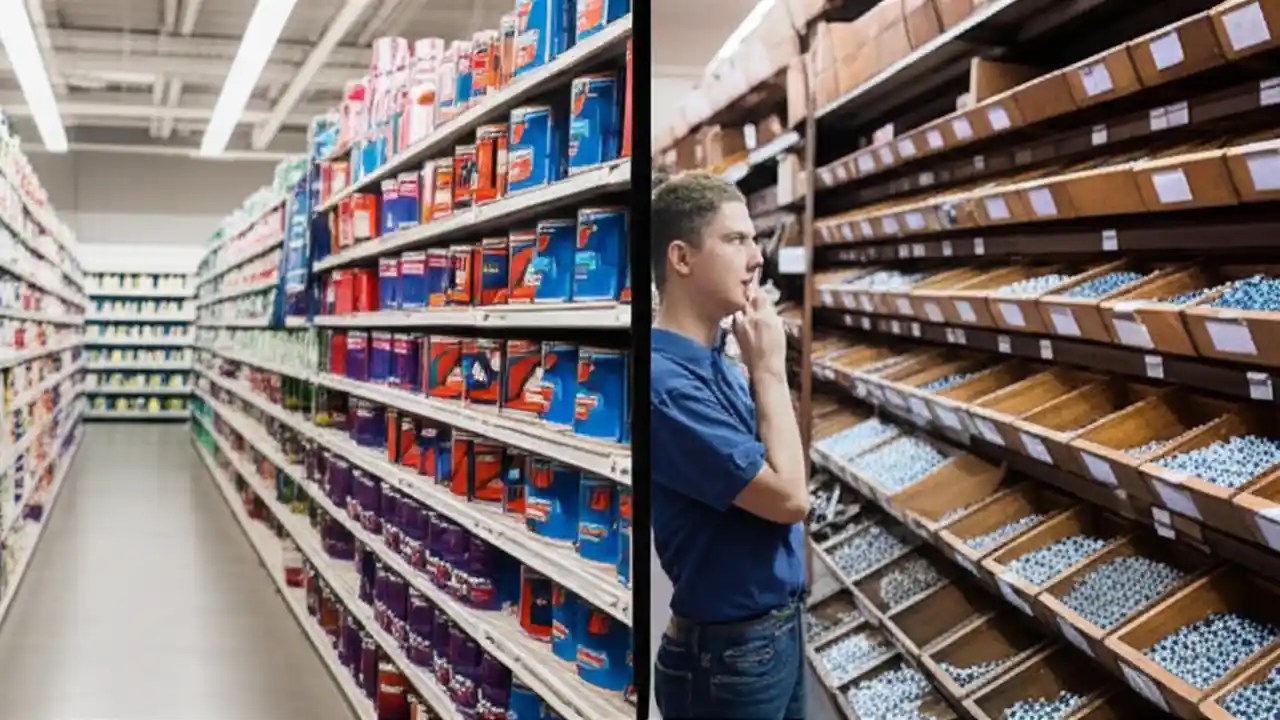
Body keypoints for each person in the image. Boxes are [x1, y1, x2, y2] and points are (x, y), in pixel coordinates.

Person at [650, 170, 809, 719]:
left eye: (755, 239)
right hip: (727, 659)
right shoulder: (666, 387)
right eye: (736, 239)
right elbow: (790, 497)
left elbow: (782, 464)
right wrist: (770, 371)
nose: (757, 257)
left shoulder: (715, 356)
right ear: (682, 258)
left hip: (770, 636)